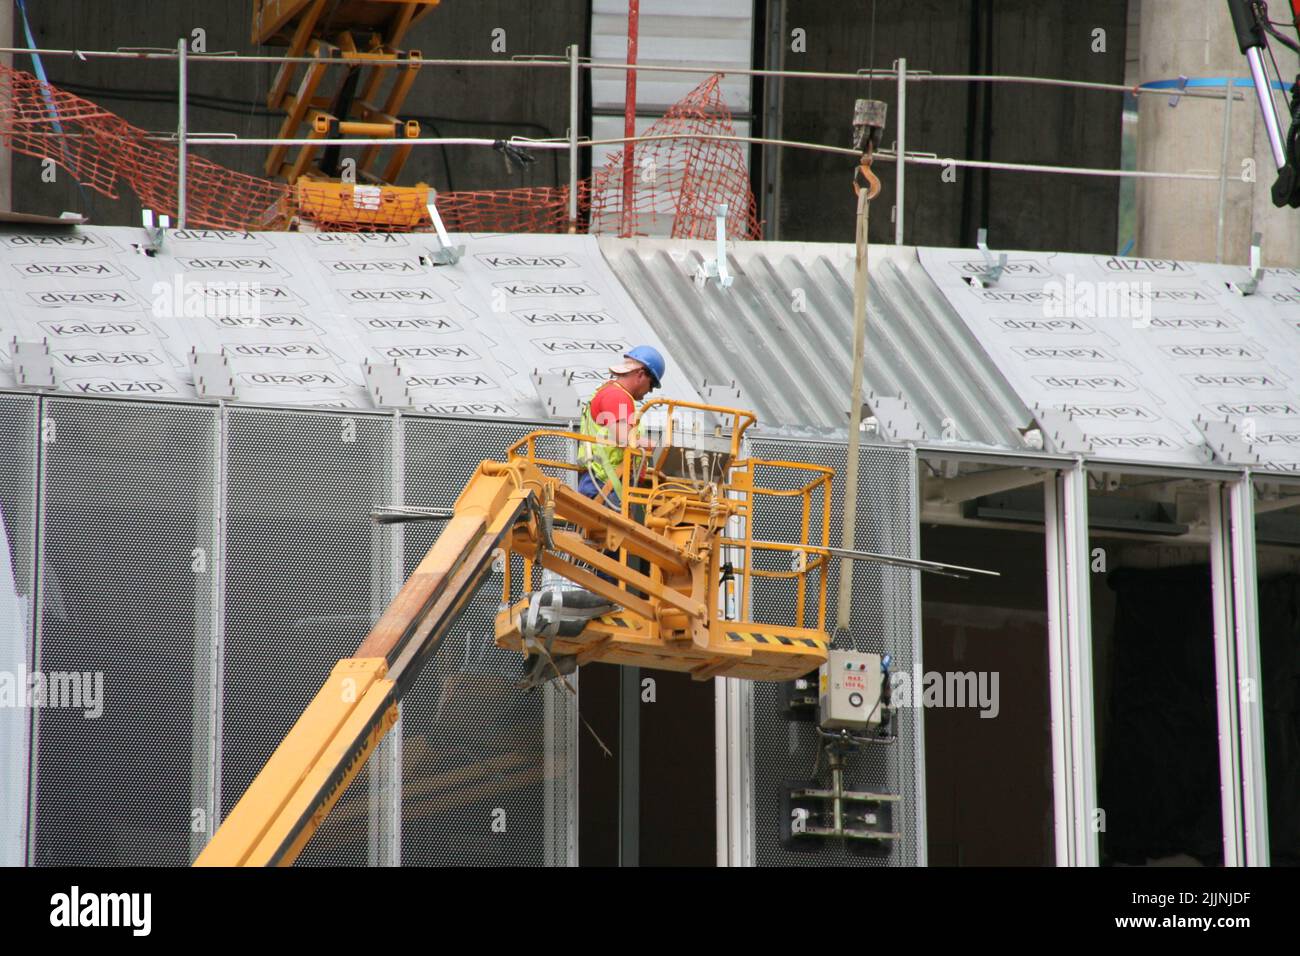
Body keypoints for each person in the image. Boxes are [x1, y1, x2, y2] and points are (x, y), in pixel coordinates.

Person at [576, 345, 665, 509]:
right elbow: (624, 437)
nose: (650, 391)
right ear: (640, 375)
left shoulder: (610, 392)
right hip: (605, 483)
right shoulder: (617, 396)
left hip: (603, 481)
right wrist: (659, 448)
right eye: (651, 385)